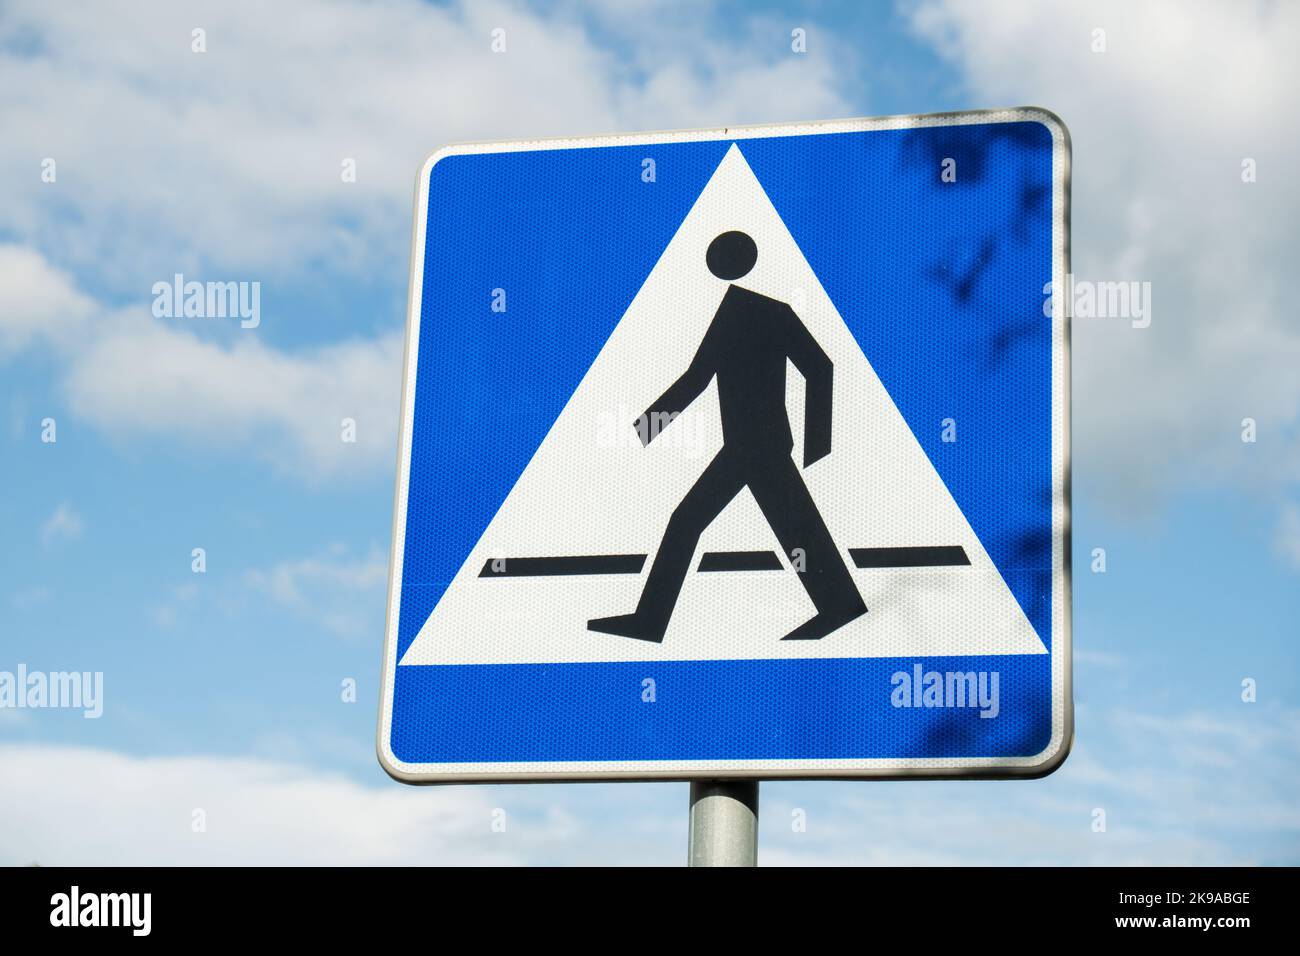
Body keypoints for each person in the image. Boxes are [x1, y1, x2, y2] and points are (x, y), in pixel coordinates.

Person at [589, 230, 866, 643]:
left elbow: (817, 367)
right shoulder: (746, 310)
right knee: (789, 528)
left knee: (702, 523)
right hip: (748, 445)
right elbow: (699, 379)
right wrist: (642, 431)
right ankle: (839, 603)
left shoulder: (749, 311)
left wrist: (817, 446)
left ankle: (650, 621)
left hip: (759, 445)